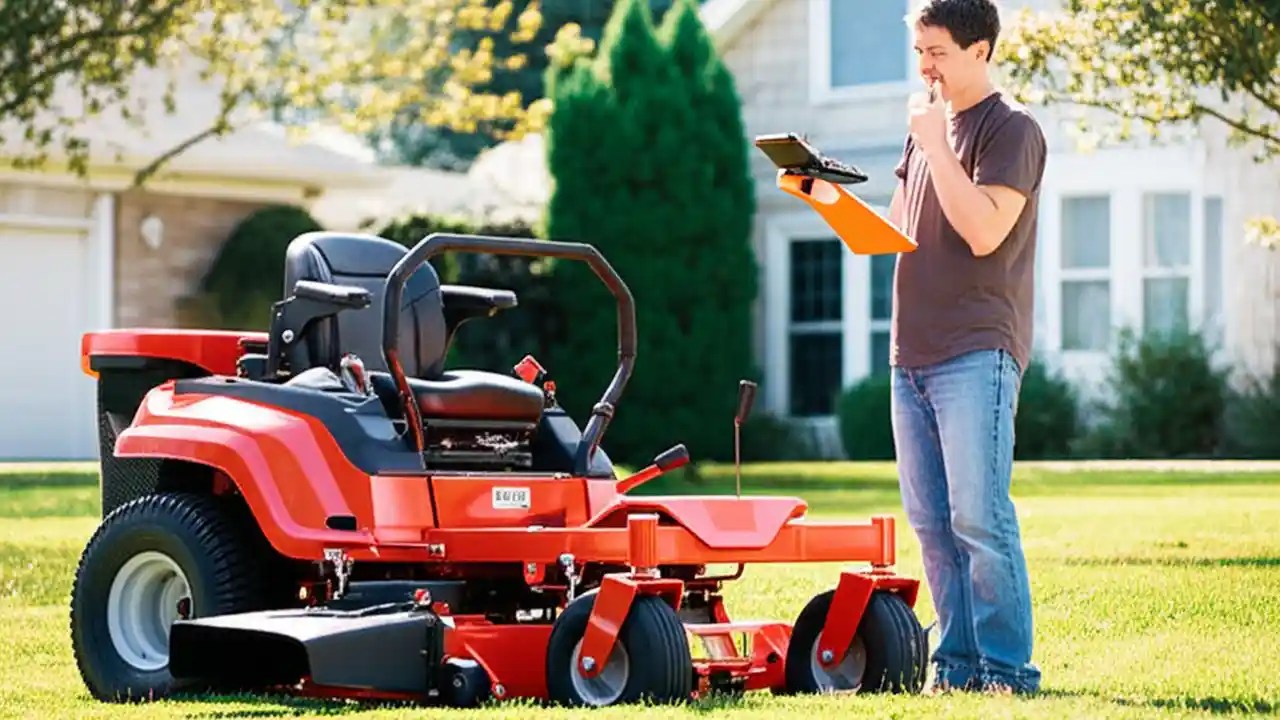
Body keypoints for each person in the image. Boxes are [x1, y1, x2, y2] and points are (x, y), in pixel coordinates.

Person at [886, 0, 1046, 696]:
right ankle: (956, 668)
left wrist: (937, 148)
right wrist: (819, 195)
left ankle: (1008, 670)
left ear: (980, 50)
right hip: (910, 351)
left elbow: (983, 231)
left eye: (939, 52)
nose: (926, 66)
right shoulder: (926, 133)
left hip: (977, 348)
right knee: (931, 523)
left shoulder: (1013, 131)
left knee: (979, 516)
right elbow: (895, 231)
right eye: (919, 51)